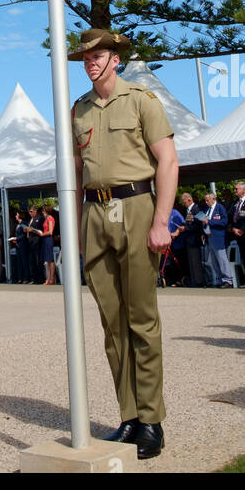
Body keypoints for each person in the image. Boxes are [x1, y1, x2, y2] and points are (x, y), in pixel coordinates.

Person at [70, 27, 178, 460]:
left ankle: (151, 420)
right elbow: (77, 174)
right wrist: (77, 226)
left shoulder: (141, 100)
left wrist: (161, 220)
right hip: (95, 214)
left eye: (98, 54)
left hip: (135, 206)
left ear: (116, 58)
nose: (90, 60)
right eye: (85, 56)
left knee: (141, 320)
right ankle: (129, 415)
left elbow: (167, 160)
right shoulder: (78, 110)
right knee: (111, 325)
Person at [200, 191, 234, 287]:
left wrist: (210, 222)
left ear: (213, 199)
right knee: (214, 260)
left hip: (218, 237)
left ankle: (228, 280)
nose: (206, 202)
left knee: (222, 259)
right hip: (209, 237)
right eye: (205, 200)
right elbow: (205, 221)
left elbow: (224, 221)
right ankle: (219, 279)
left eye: (208, 200)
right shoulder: (208, 209)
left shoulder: (220, 208)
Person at [179, 193, 205, 287]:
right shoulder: (189, 210)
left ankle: (198, 281)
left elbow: (199, 224)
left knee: (195, 261)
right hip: (189, 239)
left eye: (184, 201)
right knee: (191, 261)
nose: (183, 203)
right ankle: (194, 280)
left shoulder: (196, 209)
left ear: (189, 200)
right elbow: (189, 224)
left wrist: (185, 229)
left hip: (195, 239)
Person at [25, 205, 44, 283]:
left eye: (31, 211)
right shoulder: (31, 219)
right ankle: (34, 278)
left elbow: (40, 230)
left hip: (37, 241)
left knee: (37, 261)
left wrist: (31, 230)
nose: (30, 213)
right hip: (30, 242)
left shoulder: (39, 218)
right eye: (29, 212)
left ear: (35, 211)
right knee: (32, 261)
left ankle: (40, 278)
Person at [10, 210, 30, 283]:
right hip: (18, 245)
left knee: (24, 261)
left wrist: (17, 238)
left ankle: (26, 278)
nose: (15, 216)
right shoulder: (17, 224)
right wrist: (15, 239)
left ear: (20, 216)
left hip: (23, 245)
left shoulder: (24, 224)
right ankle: (20, 277)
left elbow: (24, 235)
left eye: (16, 215)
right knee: (19, 262)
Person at [40, 204, 57, 285]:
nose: (42, 212)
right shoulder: (46, 218)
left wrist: (42, 234)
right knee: (48, 260)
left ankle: (51, 279)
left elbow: (50, 231)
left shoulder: (50, 218)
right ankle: (49, 278)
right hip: (46, 239)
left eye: (43, 210)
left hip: (48, 239)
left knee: (50, 259)